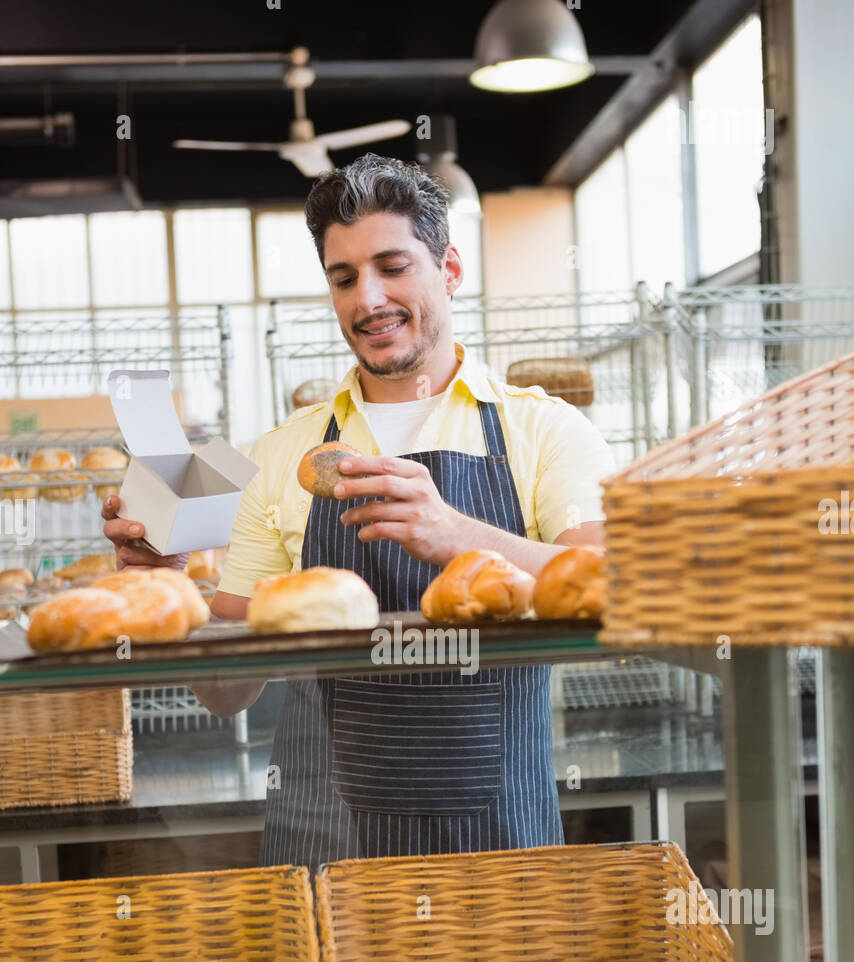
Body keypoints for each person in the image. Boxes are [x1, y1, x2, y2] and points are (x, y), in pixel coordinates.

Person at [103, 153, 615, 872]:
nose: (367, 298)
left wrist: (455, 533)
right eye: (343, 278)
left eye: (393, 266)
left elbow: (606, 588)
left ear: (451, 269)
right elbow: (225, 692)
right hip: (324, 846)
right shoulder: (279, 455)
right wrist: (177, 584)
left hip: (499, 845)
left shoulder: (545, 431)